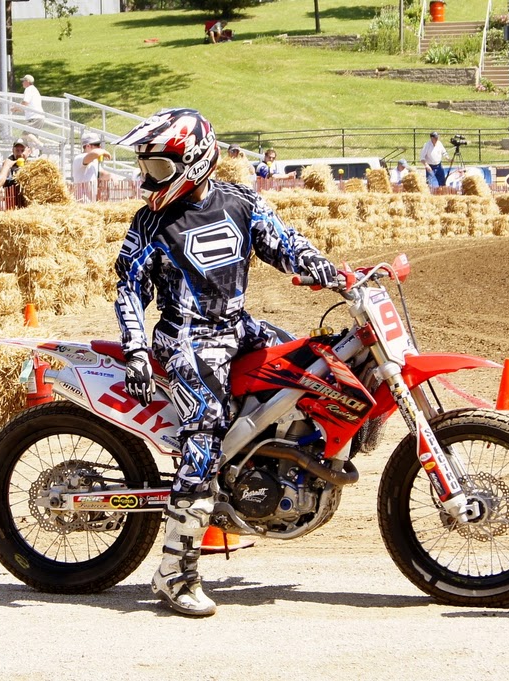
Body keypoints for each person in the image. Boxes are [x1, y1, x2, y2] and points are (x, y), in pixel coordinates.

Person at [113, 108, 344, 617]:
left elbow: (286, 246)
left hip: (237, 327)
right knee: (207, 430)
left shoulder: (240, 201)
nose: (146, 179)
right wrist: (135, 347)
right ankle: (175, 570)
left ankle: (267, 465)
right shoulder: (149, 223)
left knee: (308, 365)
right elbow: (128, 290)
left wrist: (334, 273)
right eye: (145, 167)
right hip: (187, 339)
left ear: (193, 160)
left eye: (156, 169)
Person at [73, 132, 112, 202]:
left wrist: (111, 177)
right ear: (88, 146)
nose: (99, 147)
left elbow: (103, 174)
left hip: (91, 200)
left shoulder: (94, 160)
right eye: (97, 145)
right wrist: (103, 151)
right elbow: (96, 153)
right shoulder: (79, 158)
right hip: (81, 201)